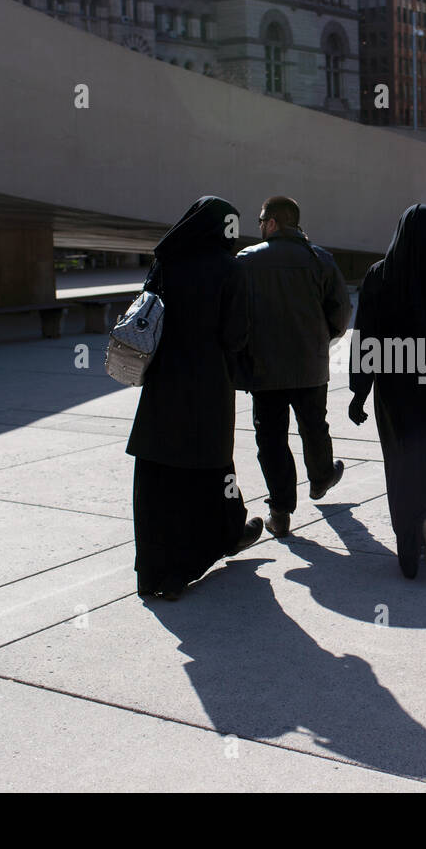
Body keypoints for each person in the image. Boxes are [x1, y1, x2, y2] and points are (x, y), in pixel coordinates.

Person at [126, 196, 263, 600]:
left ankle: (152, 571)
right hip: (207, 385)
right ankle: (189, 562)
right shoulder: (230, 270)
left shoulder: (166, 263)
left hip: (162, 383)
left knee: (157, 475)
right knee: (208, 468)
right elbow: (236, 335)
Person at [348, 204, 426, 579]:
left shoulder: (379, 274)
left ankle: (407, 542)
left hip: (394, 383)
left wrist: (359, 391)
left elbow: (365, 335)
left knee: (401, 461)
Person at [234, 196, 352, 538]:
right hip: (310, 365)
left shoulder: (246, 261)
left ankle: (280, 511)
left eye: (260, 221)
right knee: (314, 426)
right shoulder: (321, 259)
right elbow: (341, 315)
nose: (259, 228)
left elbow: (233, 313)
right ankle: (321, 478)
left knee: (271, 438)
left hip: (263, 368)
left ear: (271, 223)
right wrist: (320, 338)